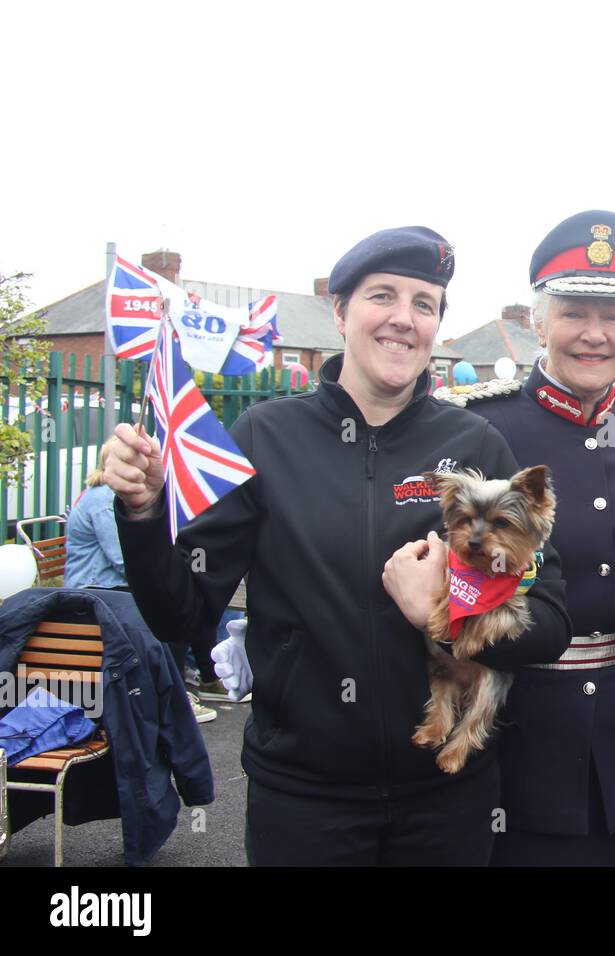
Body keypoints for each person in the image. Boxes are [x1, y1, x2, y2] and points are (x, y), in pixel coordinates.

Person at [103, 226, 571, 866]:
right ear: (340, 309)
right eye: (383, 296)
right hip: (303, 800)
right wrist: (143, 512)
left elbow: (549, 622)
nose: (403, 320)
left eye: (425, 304)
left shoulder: (477, 447)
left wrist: (445, 608)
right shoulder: (265, 436)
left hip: (447, 794)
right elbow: (179, 612)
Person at [437, 210, 615, 866]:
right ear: (538, 322)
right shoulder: (476, 430)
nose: (594, 335)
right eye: (574, 313)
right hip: (513, 740)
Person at [65, 443, 218, 724]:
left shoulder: (110, 495)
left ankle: (203, 678)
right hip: (98, 590)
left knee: (188, 601)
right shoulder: (103, 500)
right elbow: (124, 560)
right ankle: (174, 695)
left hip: (115, 588)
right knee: (166, 609)